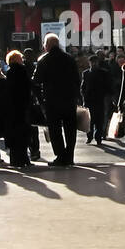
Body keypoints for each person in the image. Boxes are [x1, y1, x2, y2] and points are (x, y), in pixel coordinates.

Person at [33, 33, 81, 167]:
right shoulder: (69, 59)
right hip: (69, 100)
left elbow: (37, 80)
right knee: (70, 129)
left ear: (47, 45)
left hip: (52, 101)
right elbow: (77, 80)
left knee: (55, 130)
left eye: (44, 44)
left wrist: (41, 99)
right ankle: (69, 156)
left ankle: (60, 156)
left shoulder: (44, 60)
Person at [2, 50, 34, 168]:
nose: (22, 59)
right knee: (23, 134)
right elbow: (28, 87)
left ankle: (15, 160)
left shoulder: (9, 72)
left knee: (14, 135)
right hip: (22, 107)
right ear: (16, 59)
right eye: (21, 58)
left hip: (12, 108)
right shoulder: (22, 71)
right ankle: (24, 159)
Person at [81, 52, 109, 145]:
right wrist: (84, 96)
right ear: (89, 63)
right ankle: (89, 136)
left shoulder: (103, 73)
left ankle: (98, 138)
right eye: (92, 62)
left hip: (99, 99)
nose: (94, 64)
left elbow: (107, 86)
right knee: (89, 120)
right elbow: (83, 86)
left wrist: (105, 95)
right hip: (89, 100)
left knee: (99, 120)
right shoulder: (86, 73)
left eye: (95, 62)